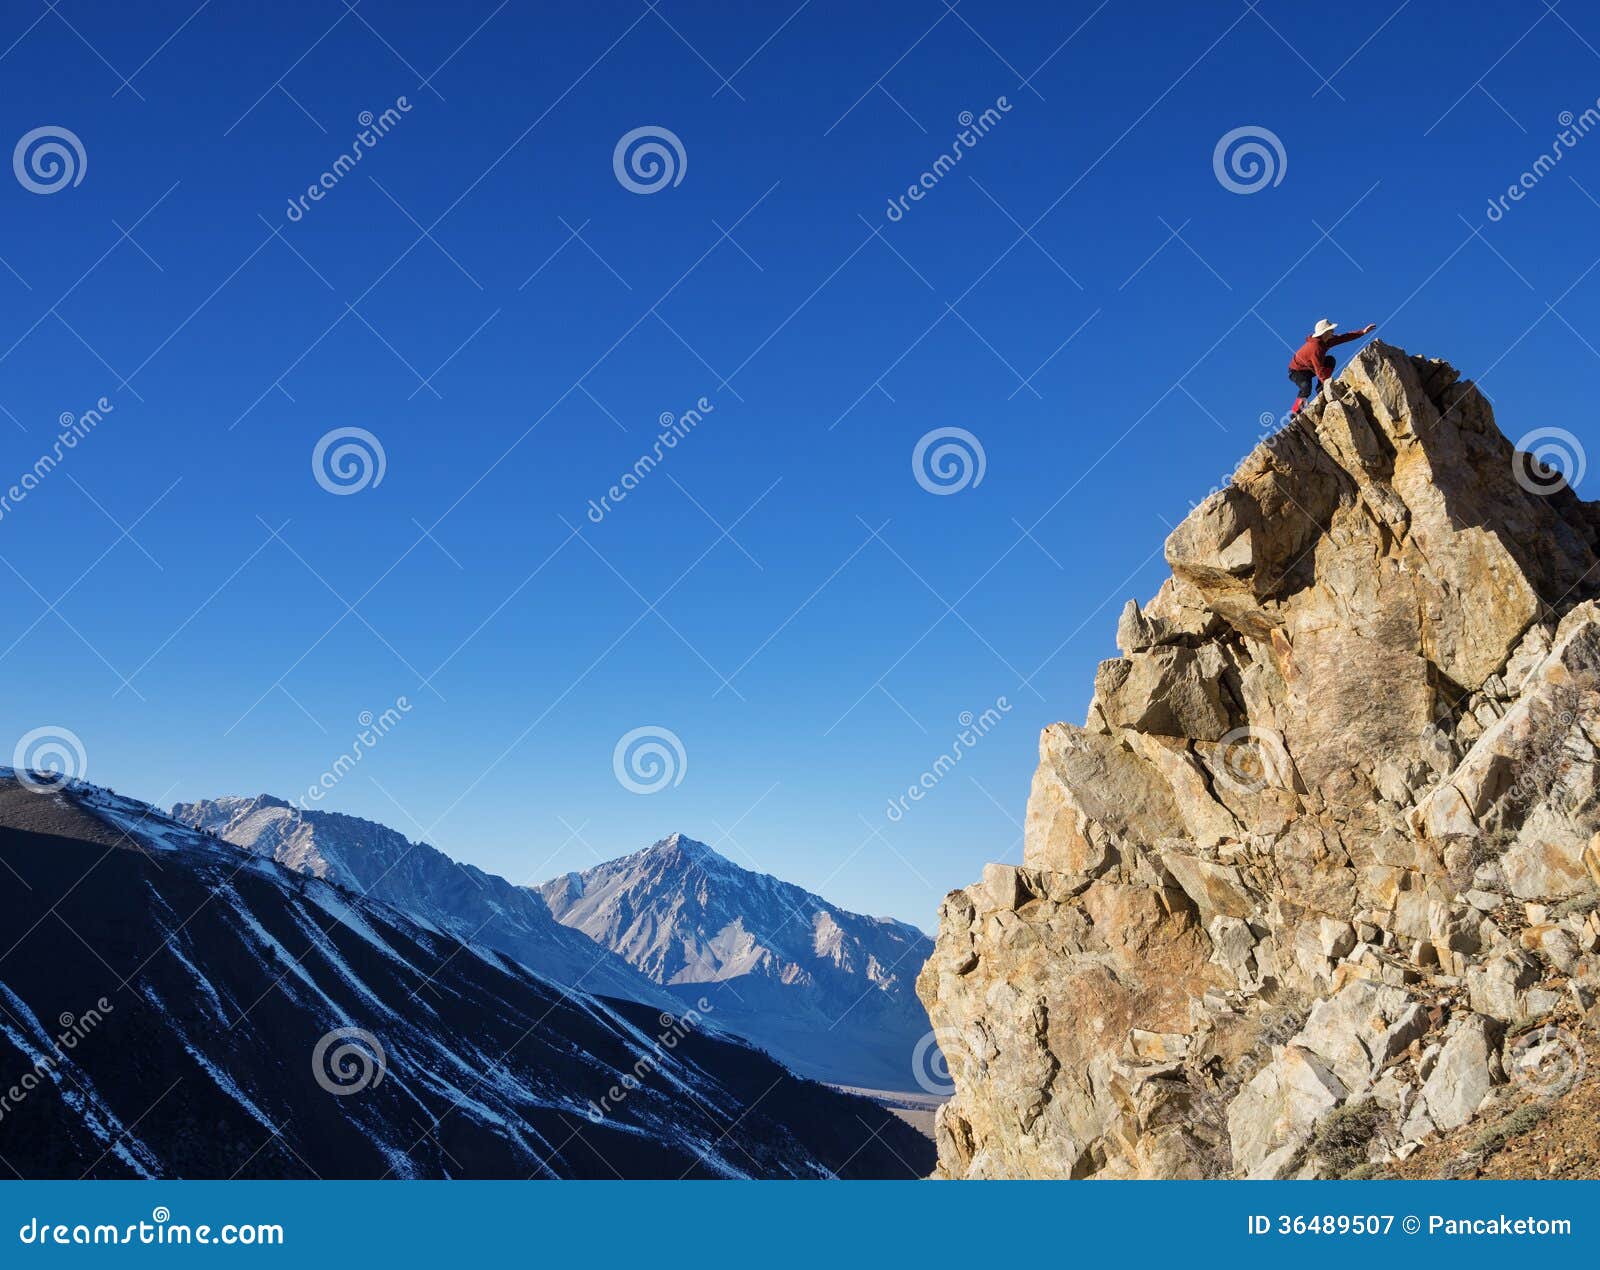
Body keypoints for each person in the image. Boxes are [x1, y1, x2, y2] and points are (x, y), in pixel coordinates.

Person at [1288, 319, 1376, 415]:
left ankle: (1320, 389)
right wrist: (1328, 386)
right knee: (1306, 388)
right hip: (1297, 371)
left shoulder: (1326, 340)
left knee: (1330, 360)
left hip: (1310, 366)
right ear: (1324, 333)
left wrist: (1362, 332)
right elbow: (1320, 371)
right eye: (1331, 330)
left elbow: (1343, 337)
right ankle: (1295, 412)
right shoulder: (1315, 348)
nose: (1333, 332)